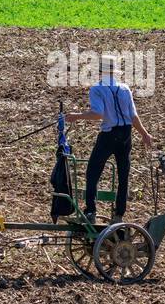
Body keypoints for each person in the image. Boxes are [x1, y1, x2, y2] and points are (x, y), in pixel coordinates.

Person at [65, 55, 154, 223]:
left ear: (100, 72)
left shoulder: (97, 89)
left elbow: (98, 114)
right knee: (123, 175)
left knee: (92, 172)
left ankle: (90, 212)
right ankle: (119, 215)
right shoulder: (125, 89)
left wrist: (76, 116)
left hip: (109, 135)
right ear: (114, 72)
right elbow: (133, 115)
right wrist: (144, 134)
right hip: (126, 135)